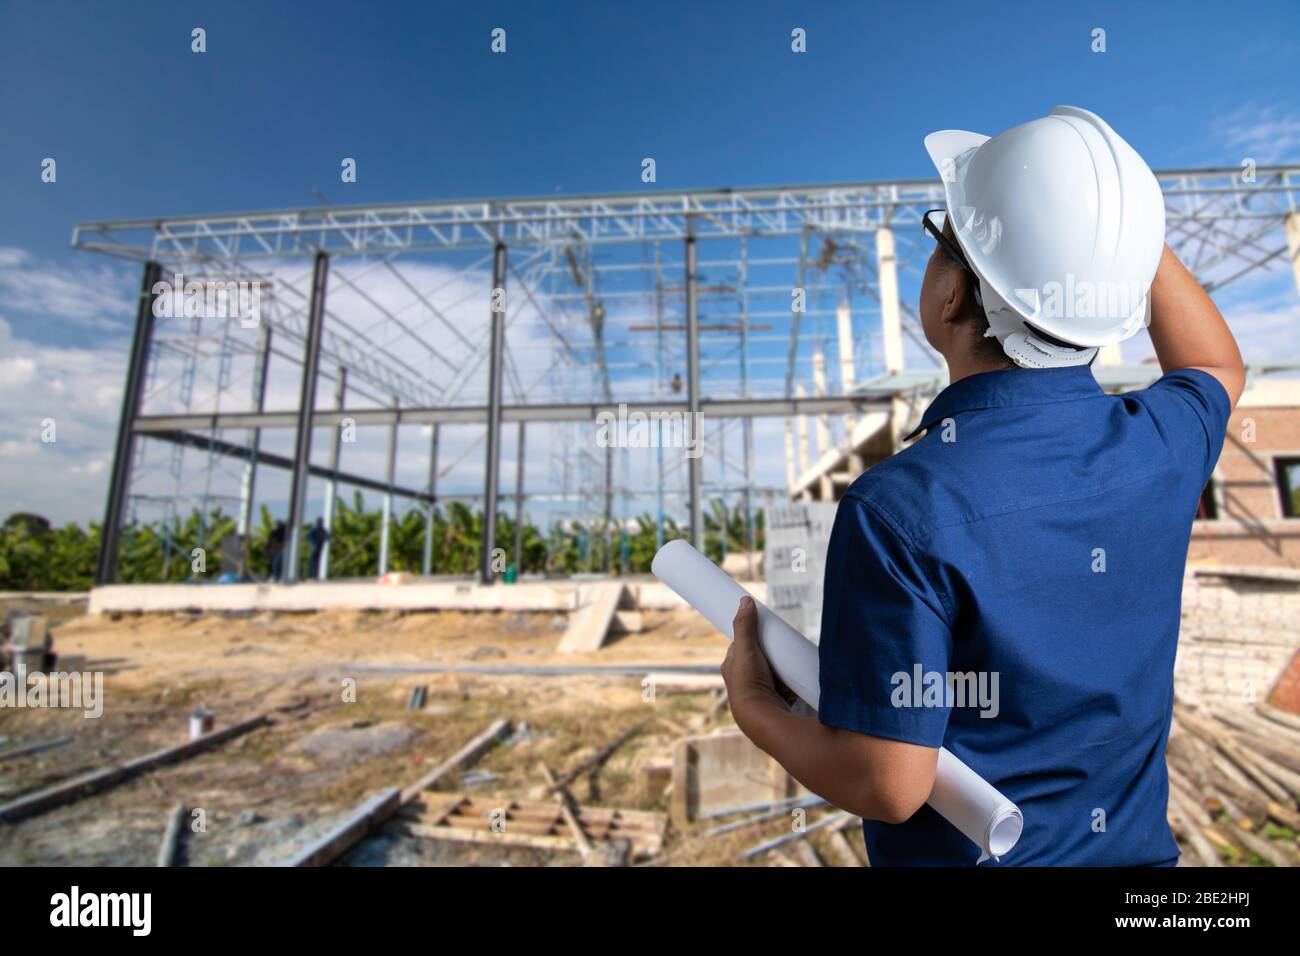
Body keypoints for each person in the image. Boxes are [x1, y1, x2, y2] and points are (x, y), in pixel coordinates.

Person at [721, 106, 1244, 866]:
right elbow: (1217, 366)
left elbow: (890, 781)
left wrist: (755, 706)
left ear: (953, 297)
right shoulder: (1158, 444)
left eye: (940, 240)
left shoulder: (900, 507)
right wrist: (1106, 235)